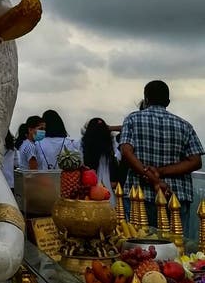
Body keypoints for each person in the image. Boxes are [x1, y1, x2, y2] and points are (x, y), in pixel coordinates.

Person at [119, 80, 203, 231]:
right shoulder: (185, 126)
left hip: (138, 195)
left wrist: (152, 178)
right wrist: (160, 172)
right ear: (168, 102)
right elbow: (196, 161)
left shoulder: (132, 120)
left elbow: (126, 151)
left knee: (139, 247)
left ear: (146, 99)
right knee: (176, 248)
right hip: (175, 197)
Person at [81, 118, 120, 200]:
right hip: (107, 192)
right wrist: (108, 128)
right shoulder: (112, 149)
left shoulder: (82, 147)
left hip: (86, 192)